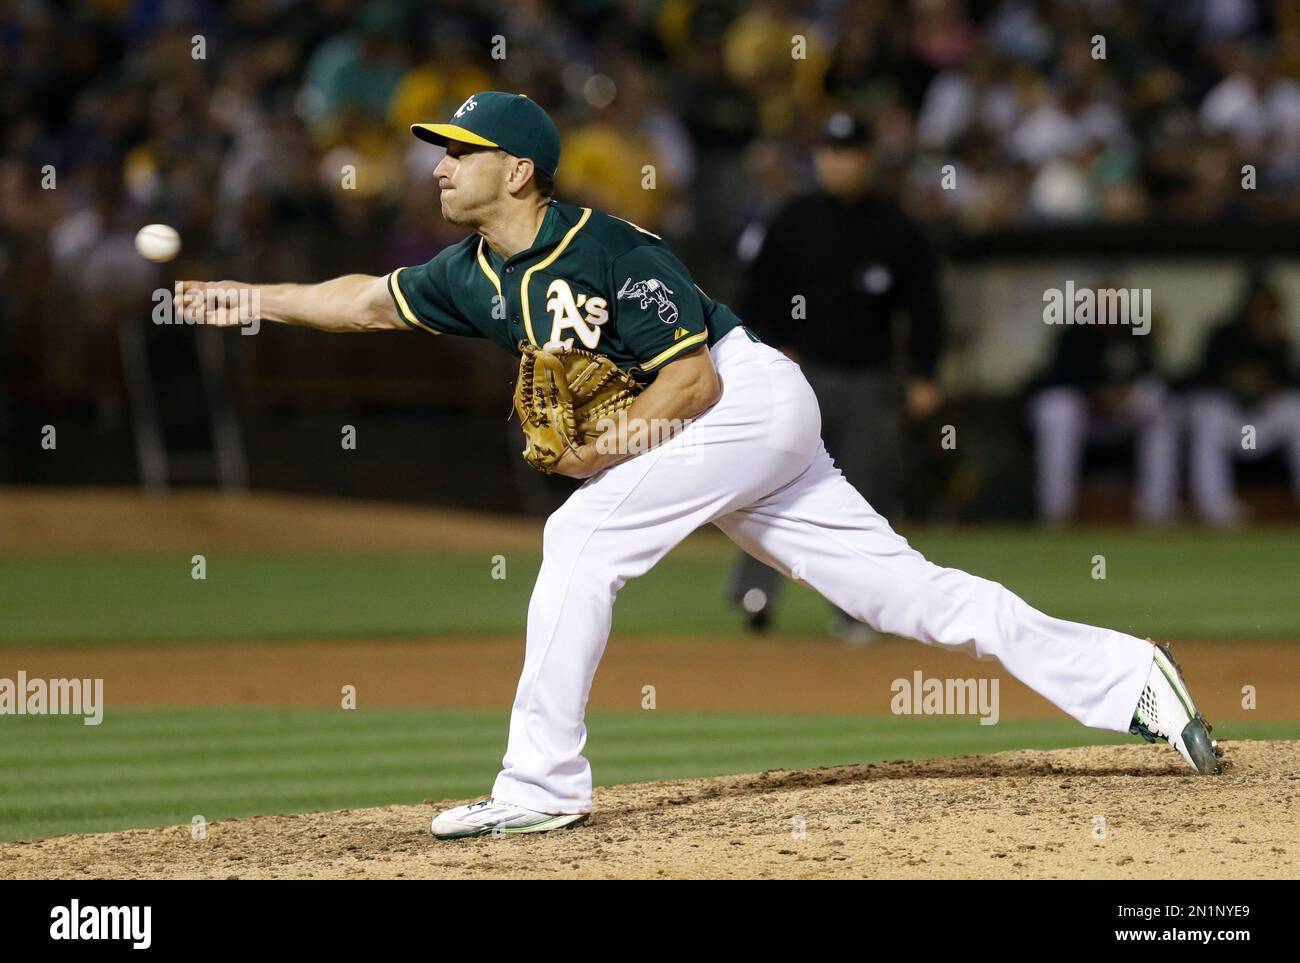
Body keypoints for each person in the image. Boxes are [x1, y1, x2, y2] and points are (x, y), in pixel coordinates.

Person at [179, 92, 1221, 841]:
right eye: (439, 149)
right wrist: (244, 297)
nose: (438, 164)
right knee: (908, 596)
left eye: (461, 149)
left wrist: (603, 446)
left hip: (744, 396)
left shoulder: (607, 251)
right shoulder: (470, 271)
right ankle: (1131, 674)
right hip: (736, 430)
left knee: (580, 533)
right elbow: (362, 300)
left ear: (519, 170)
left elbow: (691, 387)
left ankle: (539, 783)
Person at [728, 111, 946, 638]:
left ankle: (857, 609)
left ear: (866, 159)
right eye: (828, 152)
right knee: (769, 481)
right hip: (797, 375)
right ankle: (757, 593)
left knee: (867, 494)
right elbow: (756, 296)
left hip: (870, 379)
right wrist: (766, 352)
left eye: (847, 153)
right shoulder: (791, 219)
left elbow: (925, 305)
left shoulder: (895, 227)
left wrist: (924, 373)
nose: (837, 163)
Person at [1028, 301, 1179, 525]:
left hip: (1124, 417)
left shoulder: (1136, 332)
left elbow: (1155, 376)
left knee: (1160, 405)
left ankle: (1156, 510)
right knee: (1057, 410)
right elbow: (1058, 378)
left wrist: (1122, 394)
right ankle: (1055, 513)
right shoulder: (1073, 336)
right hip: (1084, 417)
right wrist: (1095, 394)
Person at [1187, 275, 1300, 526]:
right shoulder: (1223, 336)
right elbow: (1201, 378)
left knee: (1295, 409)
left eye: (1268, 306)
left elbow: (1289, 383)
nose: (1262, 312)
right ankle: (1214, 508)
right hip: (1231, 420)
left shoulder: (1279, 341)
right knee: (1208, 411)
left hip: (1261, 424)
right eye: (1257, 306)